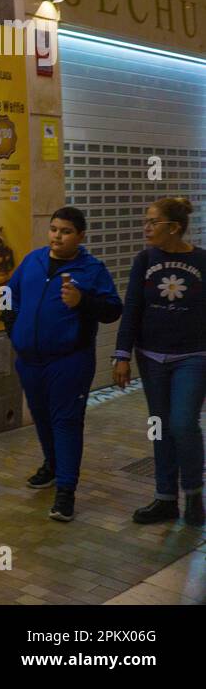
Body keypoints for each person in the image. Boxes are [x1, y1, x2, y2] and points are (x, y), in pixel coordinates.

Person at [1, 207, 122, 522]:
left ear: (80, 236)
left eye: (65, 231)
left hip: (70, 360)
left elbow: (112, 310)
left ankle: (66, 491)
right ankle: (52, 465)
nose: (57, 236)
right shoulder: (33, 260)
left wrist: (82, 302)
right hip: (29, 360)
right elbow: (7, 294)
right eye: (54, 229)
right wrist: (13, 330)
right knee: (41, 417)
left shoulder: (92, 269)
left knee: (66, 422)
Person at [113, 197, 206, 527]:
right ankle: (166, 499)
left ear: (174, 228)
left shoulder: (201, 261)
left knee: (182, 421)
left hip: (192, 356)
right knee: (160, 426)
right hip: (151, 356)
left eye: (153, 222)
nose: (146, 228)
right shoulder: (144, 260)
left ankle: (194, 492)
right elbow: (133, 307)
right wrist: (122, 354)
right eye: (146, 221)